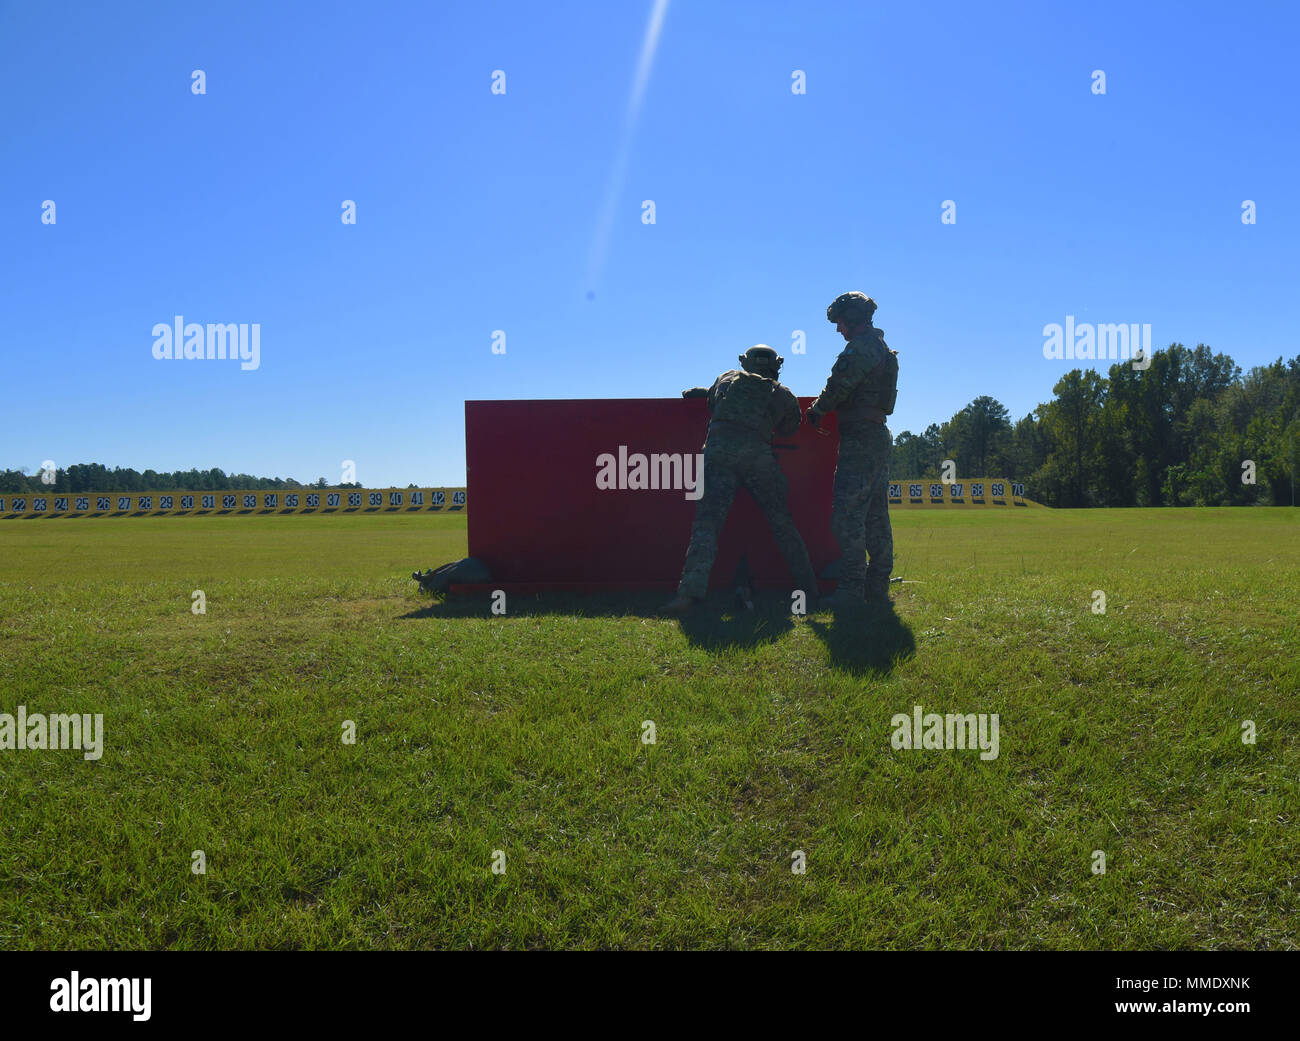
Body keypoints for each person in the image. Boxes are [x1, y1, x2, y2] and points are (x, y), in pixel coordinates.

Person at [662, 346, 820, 614]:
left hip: (718, 455)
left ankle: (688, 595)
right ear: (775, 366)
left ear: (745, 362)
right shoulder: (782, 395)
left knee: (707, 527)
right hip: (758, 459)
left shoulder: (726, 378)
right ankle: (810, 592)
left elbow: (713, 402)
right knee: (783, 525)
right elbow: (789, 428)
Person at [807, 292, 897, 606]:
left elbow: (837, 386)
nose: (838, 329)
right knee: (875, 515)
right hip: (876, 436)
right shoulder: (881, 347)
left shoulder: (860, 348)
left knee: (847, 515)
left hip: (859, 439)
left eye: (841, 322)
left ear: (855, 320)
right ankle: (877, 587)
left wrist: (817, 411)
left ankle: (851, 590)